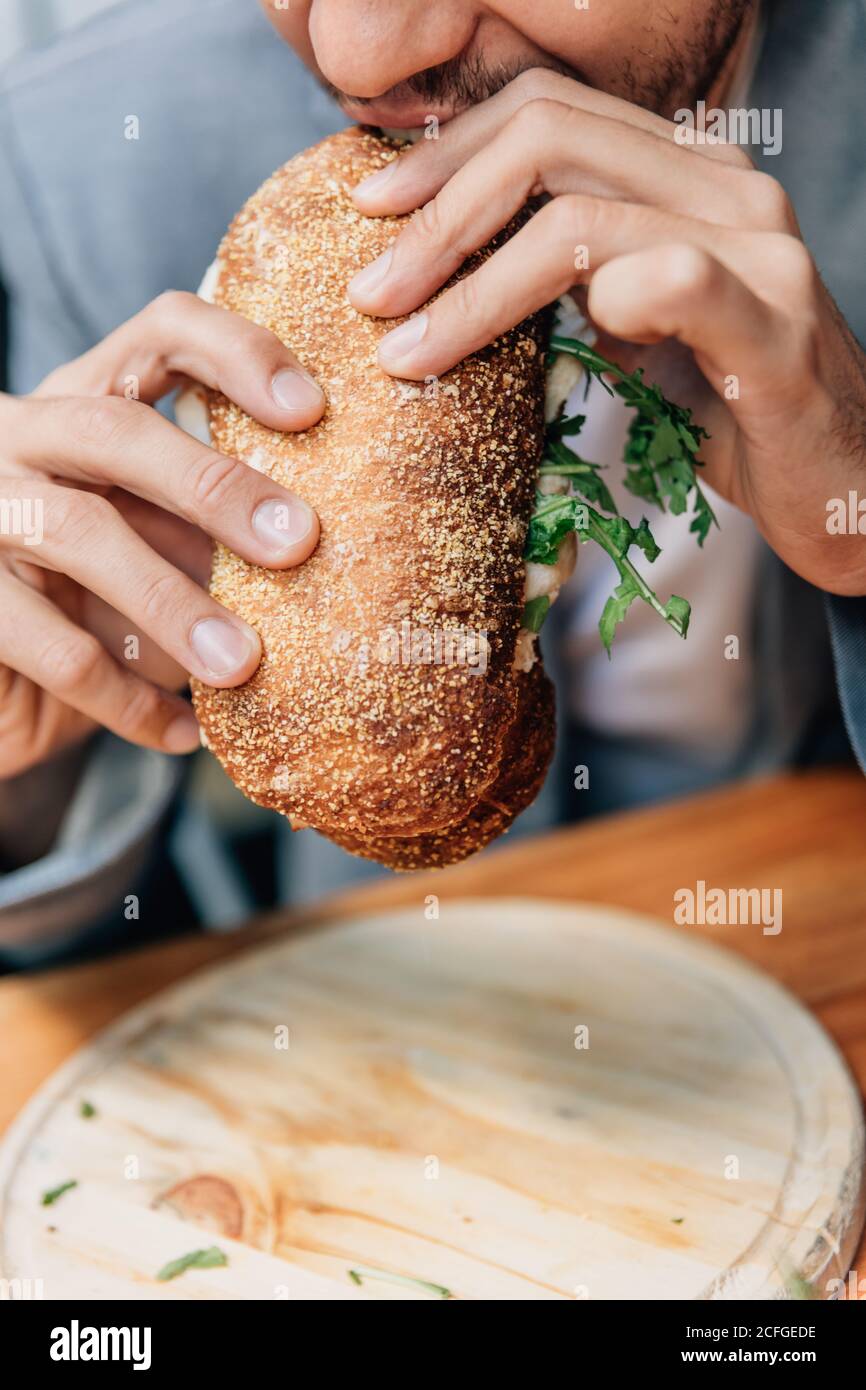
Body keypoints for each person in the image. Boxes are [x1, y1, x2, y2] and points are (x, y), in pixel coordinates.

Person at [0, 0, 863, 965]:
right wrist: (31, 751)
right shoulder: (76, 157)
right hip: (389, 1022)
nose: (357, 57)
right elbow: (92, 951)